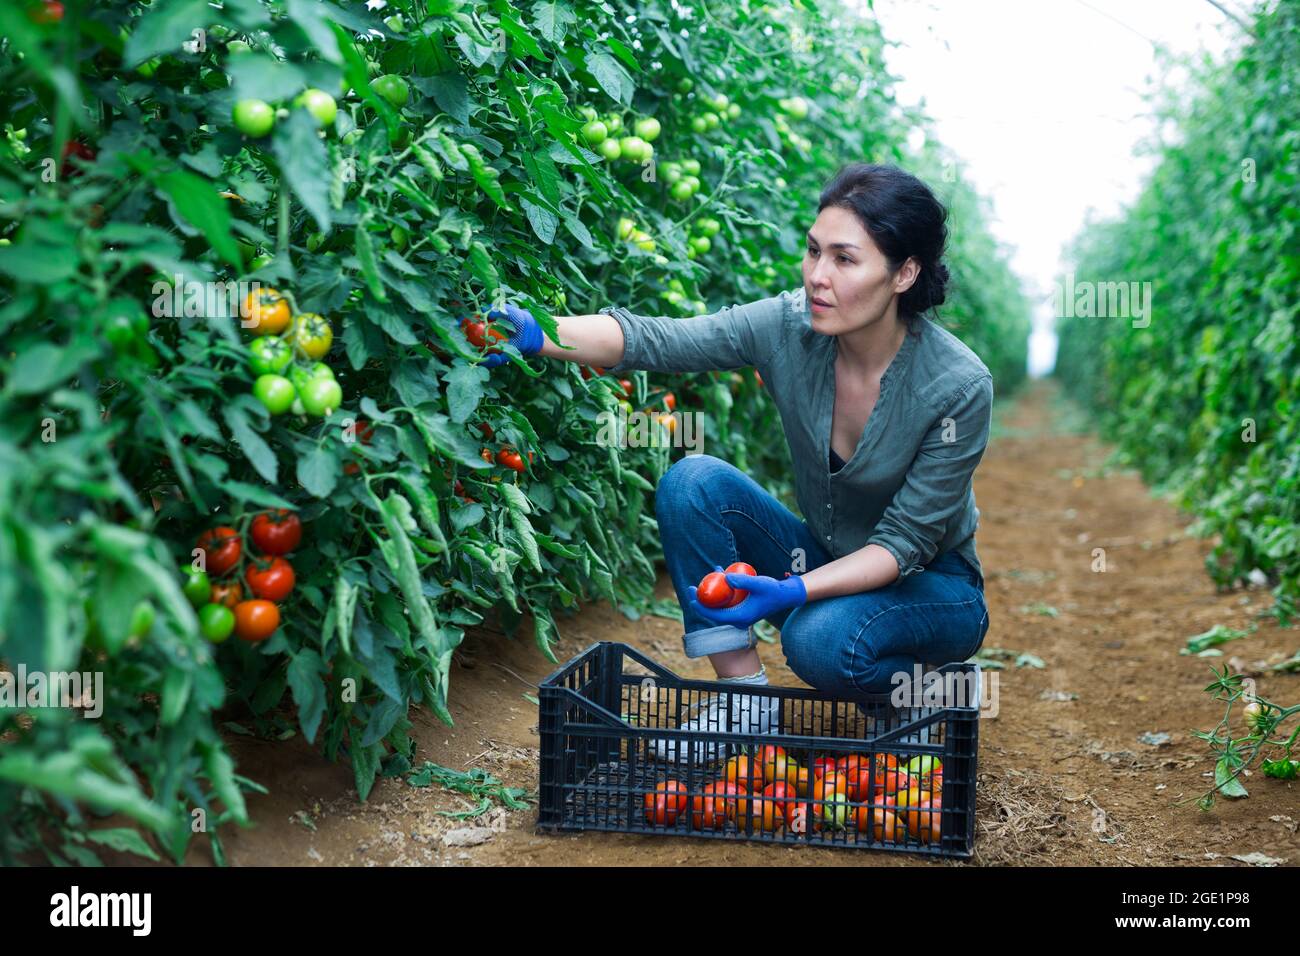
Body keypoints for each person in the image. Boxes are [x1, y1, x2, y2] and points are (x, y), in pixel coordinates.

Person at [479, 163, 992, 763]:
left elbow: (902, 543)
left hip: (933, 588)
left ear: (904, 273)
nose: (817, 277)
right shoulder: (789, 326)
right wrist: (542, 334)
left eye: (844, 260)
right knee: (693, 482)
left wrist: (791, 591)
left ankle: (924, 691)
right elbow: (660, 340)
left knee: (817, 641)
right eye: (812, 251)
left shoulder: (958, 386)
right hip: (830, 557)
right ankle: (744, 702)